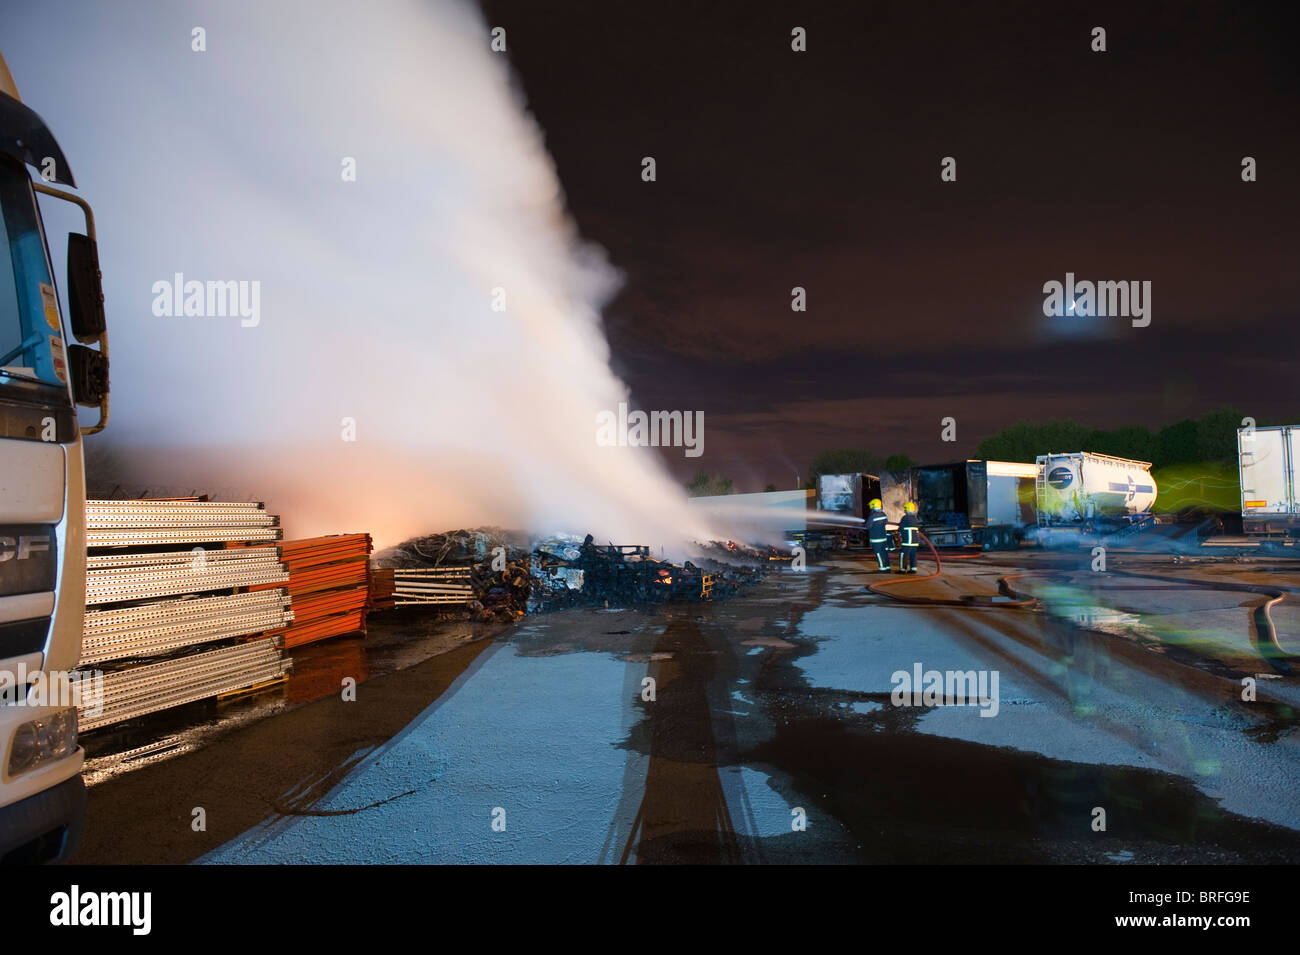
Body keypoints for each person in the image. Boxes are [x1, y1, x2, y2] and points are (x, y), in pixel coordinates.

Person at [866, 498, 890, 572]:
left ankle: (882, 568)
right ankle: (887, 567)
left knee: (878, 553)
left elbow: (868, 526)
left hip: (876, 539)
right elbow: (886, 522)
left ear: (873, 506)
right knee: (884, 553)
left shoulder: (872, 516)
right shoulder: (883, 514)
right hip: (883, 538)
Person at [897, 501, 920, 574]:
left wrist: (899, 534)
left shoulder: (905, 518)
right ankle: (913, 569)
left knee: (903, 555)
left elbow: (900, 528)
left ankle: (903, 569)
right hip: (915, 542)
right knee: (913, 555)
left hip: (907, 541)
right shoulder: (915, 518)